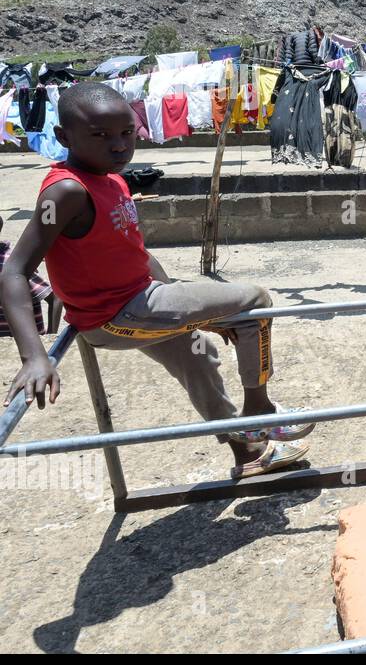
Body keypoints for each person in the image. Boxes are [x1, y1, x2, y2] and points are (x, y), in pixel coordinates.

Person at [0, 83, 312, 479]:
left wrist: (189, 302)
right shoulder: (66, 191)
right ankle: (260, 410)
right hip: (116, 315)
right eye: (100, 136)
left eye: (126, 133)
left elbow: (133, 251)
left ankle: (246, 450)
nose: (118, 145)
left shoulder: (112, 179)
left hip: (143, 300)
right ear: (64, 137)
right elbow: (13, 270)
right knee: (255, 300)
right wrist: (34, 356)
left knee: (200, 358)